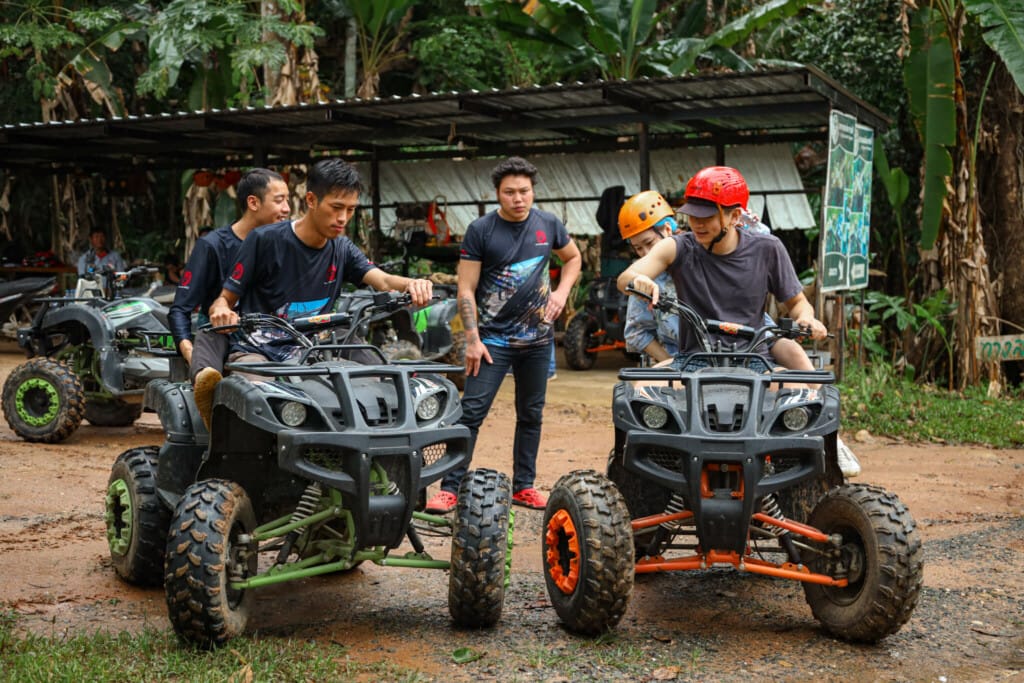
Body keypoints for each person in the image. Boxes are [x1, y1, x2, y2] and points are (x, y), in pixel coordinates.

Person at [616, 167, 860, 477]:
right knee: (637, 391)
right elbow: (625, 278)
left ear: (734, 216)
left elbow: (798, 303)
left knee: (809, 396)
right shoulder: (678, 247)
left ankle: (830, 442)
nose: (697, 223)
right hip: (693, 361)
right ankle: (645, 475)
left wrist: (807, 319)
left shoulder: (767, 249)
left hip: (754, 360)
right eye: (693, 215)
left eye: (708, 216)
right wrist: (640, 281)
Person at [202, 158, 433, 426]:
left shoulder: (342, 248)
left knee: (384, 388)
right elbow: (225, 299)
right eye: (336, 208)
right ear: (311, 200)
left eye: (350, 209)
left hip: (319, 350)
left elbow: (382, 279)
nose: (343, 218)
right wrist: (220, 310)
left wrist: (413, 284)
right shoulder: (265, 240)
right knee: (263, 406)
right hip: (260, 351)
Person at [425, 157, 582, 513]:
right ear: (497, 194)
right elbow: (466, 289)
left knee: (531, 414)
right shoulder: (481, 230)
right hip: (492, 342)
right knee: (471, 413)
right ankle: (450, 487)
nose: (518, 198)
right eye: (509, 192)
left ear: (533, 191)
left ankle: (524, 486)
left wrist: (561, 293)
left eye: (524, 191)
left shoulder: (548, 224)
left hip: (538, 341)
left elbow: (572, 259)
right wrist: (472, 338)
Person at [168, 168, 291, 399]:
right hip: (224, 335)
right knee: (210, 345)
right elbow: (180, 309)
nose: (287, 208)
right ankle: (206, 388)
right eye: (279, 200)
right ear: (253, 203)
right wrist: (188, 351)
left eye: (288, 200)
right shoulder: (212, 246)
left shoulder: (287, 244)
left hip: (276, 336)